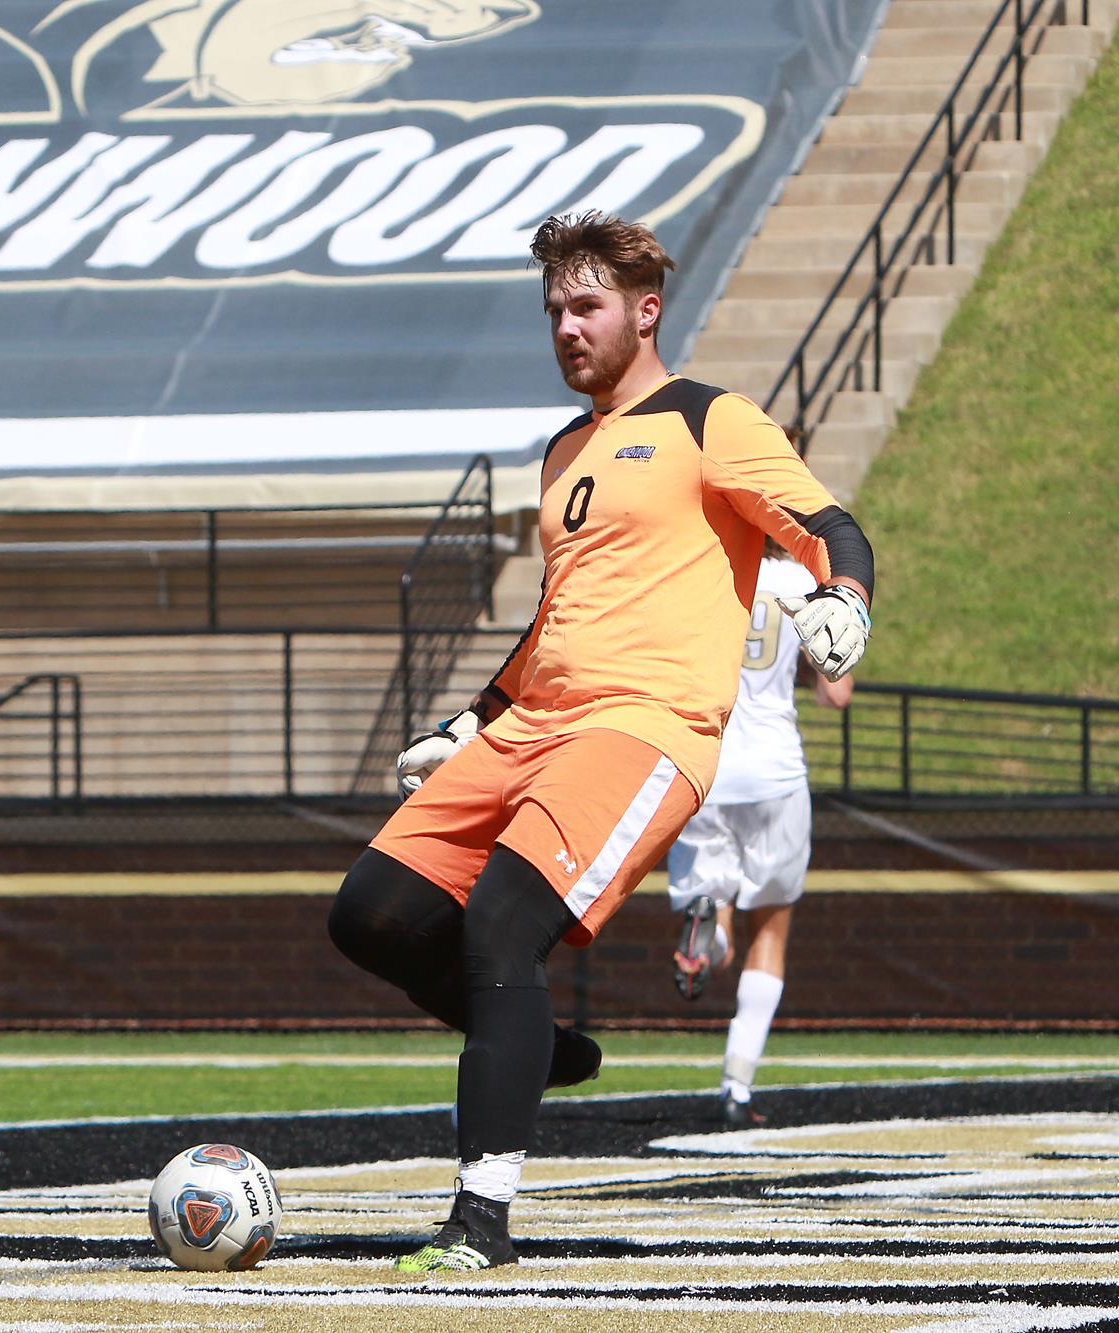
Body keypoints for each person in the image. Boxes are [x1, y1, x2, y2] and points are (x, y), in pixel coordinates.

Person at [327, 211, 874, 1272]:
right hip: (531, 722)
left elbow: (824, 521)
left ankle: (478, 1222)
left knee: (499, 927)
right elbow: (554, 618)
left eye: (586, 307)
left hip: (644, 725)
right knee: (371, 915)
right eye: (553, 311)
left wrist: (845, 594)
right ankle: (546, 1048)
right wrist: (470, 720)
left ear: (643, 310)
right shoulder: (563, 450)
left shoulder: (709, 417)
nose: (566, 327)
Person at [668, 541, 853, 1128]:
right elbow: (835, 693)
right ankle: (736, 1087)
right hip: (775, 773)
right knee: (770, 931)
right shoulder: (805, 578)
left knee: (718, 907)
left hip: (706, 767)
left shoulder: (701, 563)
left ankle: (711, 936)